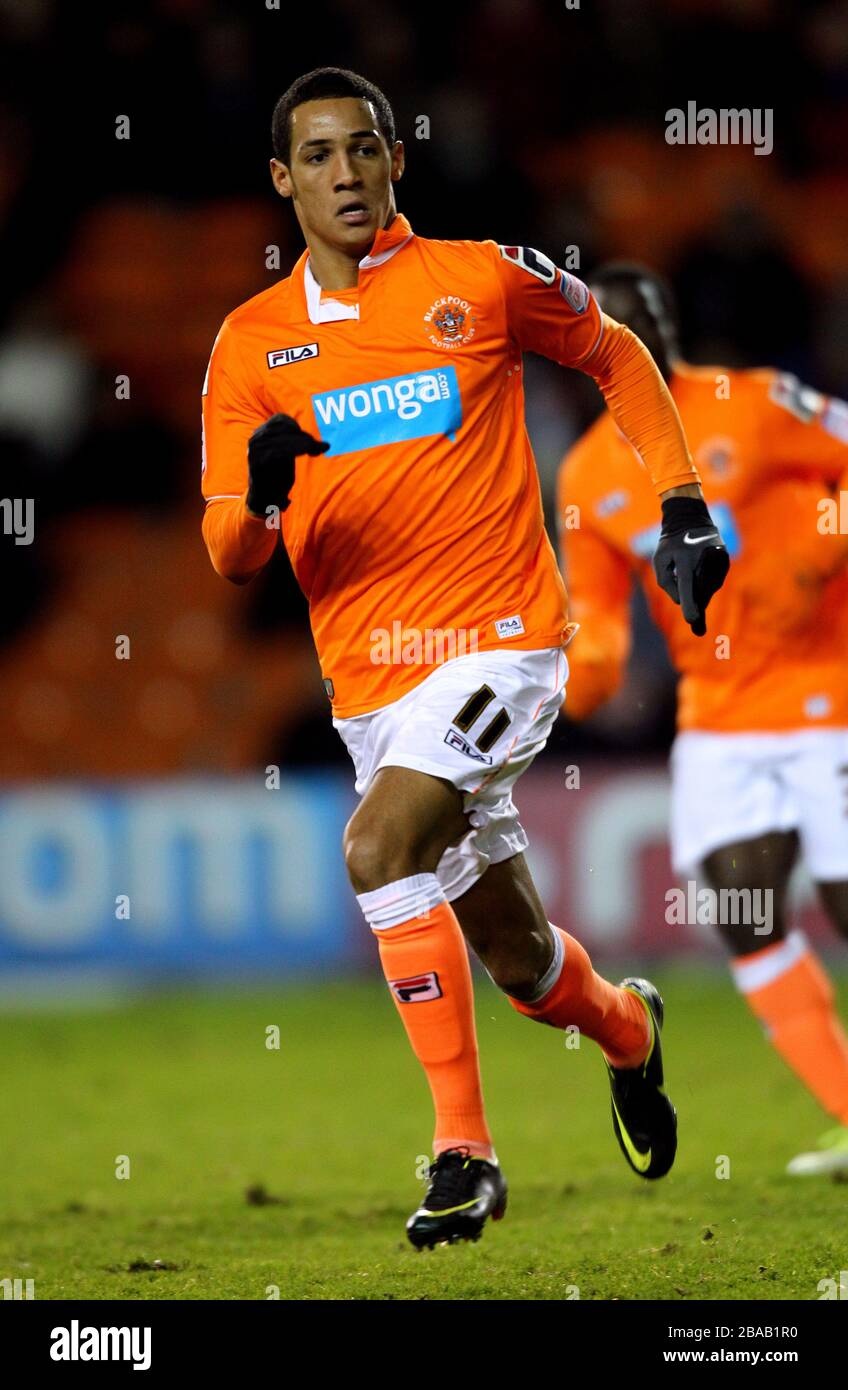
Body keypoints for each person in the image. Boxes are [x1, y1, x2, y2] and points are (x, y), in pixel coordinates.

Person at [201, 68, 728, 1248]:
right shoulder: (247, 347)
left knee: (377, 847)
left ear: (398, 161)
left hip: (501, 643)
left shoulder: (479, 279)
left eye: (364, 150)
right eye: (319, 157)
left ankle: (462, 1154)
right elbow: (229, 552)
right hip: (372, 682)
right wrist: (267, 493)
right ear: (282, 181)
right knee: (524, 964)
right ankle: (629, 1030)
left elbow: (616, 359)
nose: (345, 174)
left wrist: (681, 504)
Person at [558, 261, 848, 1176]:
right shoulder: (590, 473)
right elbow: (598, 613)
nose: (624, 338)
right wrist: (583, 674)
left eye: (638, 320)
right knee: (746, 910)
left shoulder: (757, 402)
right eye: (606, 328)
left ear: (667, 325)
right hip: (718, 714)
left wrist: (816, 547)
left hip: (828, 686)